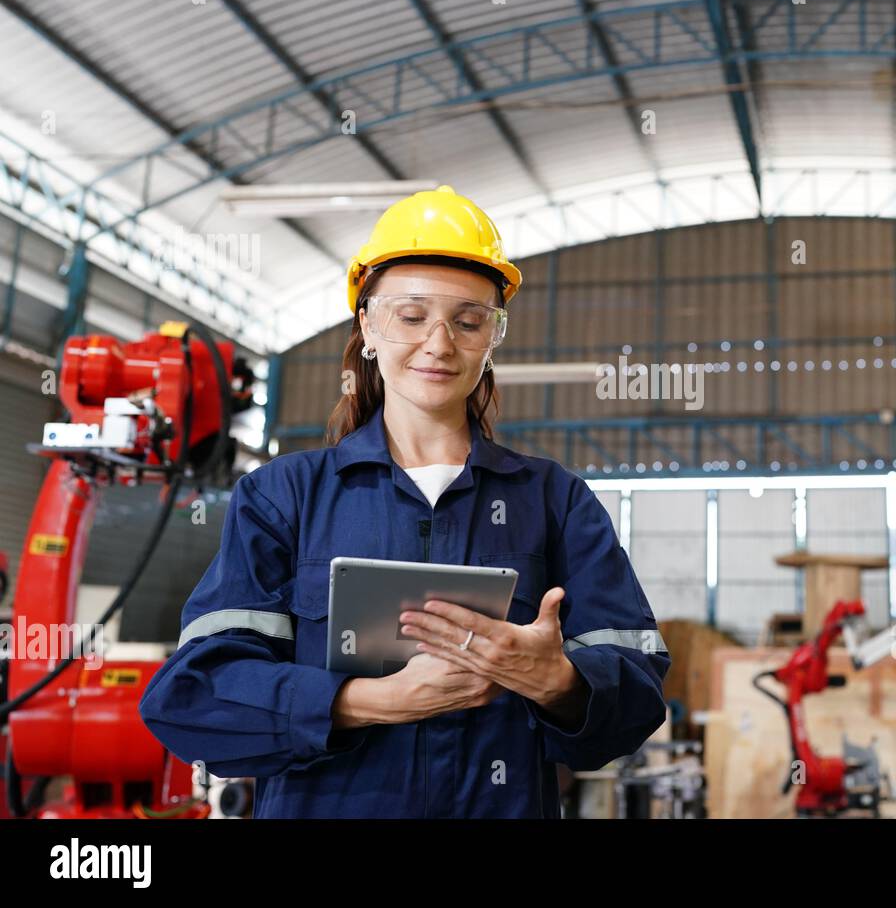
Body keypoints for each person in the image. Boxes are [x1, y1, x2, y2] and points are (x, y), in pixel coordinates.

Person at [139, 186, 670, 818]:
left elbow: (637, 702)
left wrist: (556, 682)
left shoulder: (554, 501)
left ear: (493, 337)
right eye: (410, 316)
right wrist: (371, 700)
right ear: (366, 324)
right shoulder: (284, 496)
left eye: (469, 321)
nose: (440, 344)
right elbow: (194, 698)